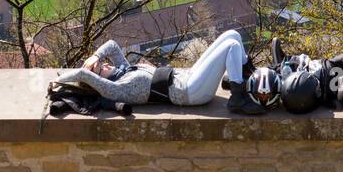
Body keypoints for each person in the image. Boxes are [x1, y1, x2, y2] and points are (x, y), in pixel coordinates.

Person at [53, 29, 261, 114]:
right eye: (101, 69)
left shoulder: (124, 69)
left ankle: (247, 79)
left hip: (187, 76)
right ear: (97, 81)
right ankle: (238, 97)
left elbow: (113, 45)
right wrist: (61, 80)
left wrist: (95, 56)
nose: (106, 64)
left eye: (103, 63)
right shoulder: (117, 89)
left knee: (232, 34)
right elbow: (82, 76)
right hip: (190, 91)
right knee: (231, 47)